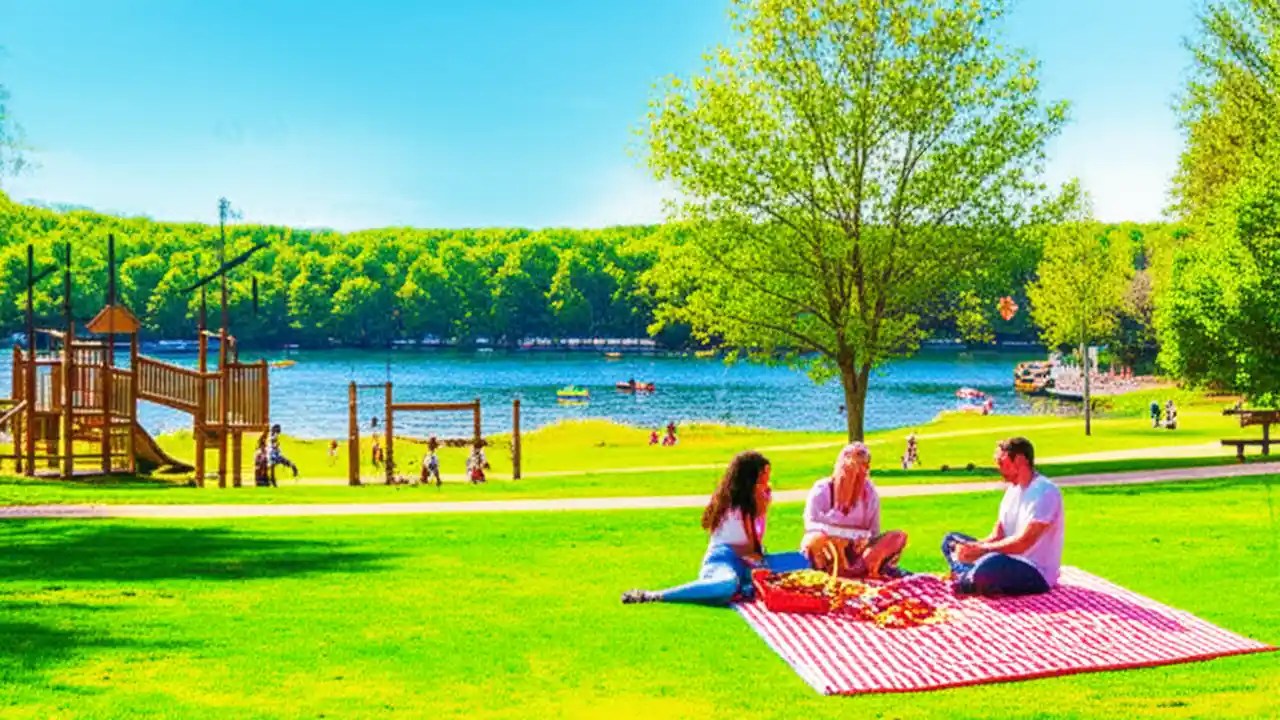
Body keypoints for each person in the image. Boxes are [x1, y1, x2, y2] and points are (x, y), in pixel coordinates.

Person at [621, 450, 809, 605]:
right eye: (763, 481)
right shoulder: (734, 509)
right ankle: (657, 595)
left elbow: (756, 550)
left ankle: (748, 584)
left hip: (750, 562)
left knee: (805, 561)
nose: (767, 487)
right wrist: (759, 563)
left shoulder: (758, 503)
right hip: (725, 559)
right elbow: (745, 549)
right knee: (726, 585)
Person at [941, 437, 1064, 596]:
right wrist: (972, 547)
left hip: (1035, 572)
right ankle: (970, 577)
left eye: (1001, 463)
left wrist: (981, 551)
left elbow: (1023, 543)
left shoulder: (1046, 492)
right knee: (951, 541)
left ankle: (967, 578)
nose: (999, 469)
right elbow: (997, 535)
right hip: (1005, 559)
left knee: (990, 563)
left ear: (1019, 460)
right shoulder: (1011, 491)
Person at [801, 443, 908, 579]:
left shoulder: (869, 493)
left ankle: (862, 570)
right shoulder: (822, 489)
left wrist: (861, 541)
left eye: (860, 472)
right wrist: (838, 539)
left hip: (857, 551)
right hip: (828, 548)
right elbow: (810, 525)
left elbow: (874, 533)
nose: (854, 478)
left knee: (897, 537)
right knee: (816, 540)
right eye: (850, 471)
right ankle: (840, 571)